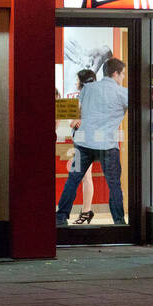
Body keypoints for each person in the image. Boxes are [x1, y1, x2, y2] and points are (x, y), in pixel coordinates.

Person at [56, 57, 127, 226]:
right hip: (107, 145)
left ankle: (61, 217)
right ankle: (119, 222)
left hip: (83, 144)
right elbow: (144, 107)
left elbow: (73, 115)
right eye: (122, 74)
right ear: (115, 73)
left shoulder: (88, 89)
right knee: (114, 185)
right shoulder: (122, 92)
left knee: (73, 179)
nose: (123, 77)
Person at [67, 68, 98, 224]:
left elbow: (73, 122)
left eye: (78, 80)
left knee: (84, 176)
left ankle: (86, 211)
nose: (76, 83)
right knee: (86, 177)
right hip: (85, 140)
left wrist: (78, 120)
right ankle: (86, 211)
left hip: (85, 141)